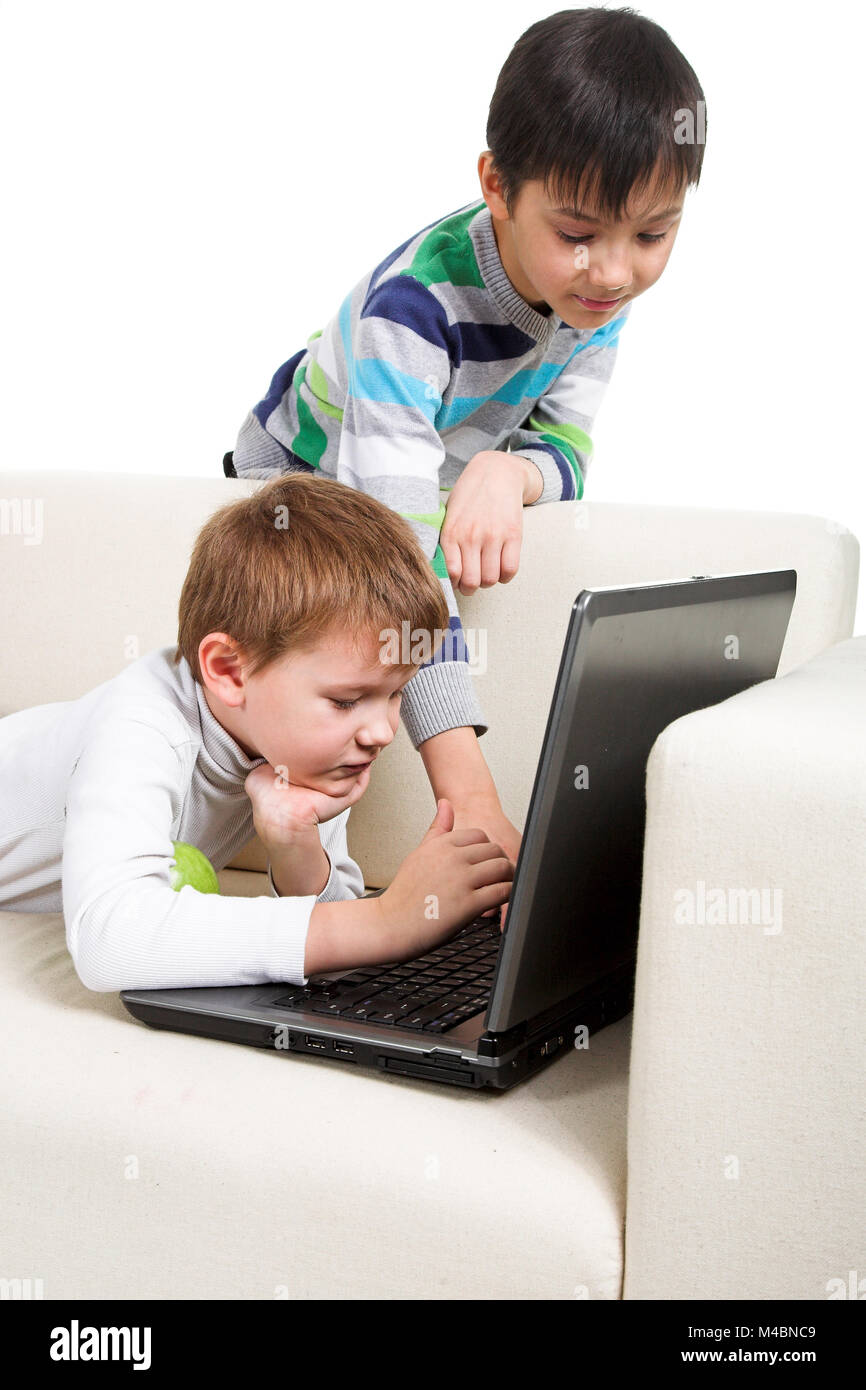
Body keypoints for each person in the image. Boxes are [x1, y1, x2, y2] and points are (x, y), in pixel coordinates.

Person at [223, 6, 706, 867]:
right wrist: (468, 793)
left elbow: (567, 450)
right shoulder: (410, 314)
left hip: (420, 474)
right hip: (289, 493)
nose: (617, 271)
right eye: (578, 233)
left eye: (654, 234)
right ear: (496, 184)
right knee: (324, 680)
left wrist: (505, 473)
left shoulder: (591, 298)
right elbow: (398, 564)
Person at [0, 474, 513, 992]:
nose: (381, 731)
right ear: (228, 670)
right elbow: (108, 937)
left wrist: (295, 844)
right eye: (346, 700)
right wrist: (387, 921)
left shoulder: (309, 747)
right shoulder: (141, 725)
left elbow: (332, 934)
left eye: (396, 692)